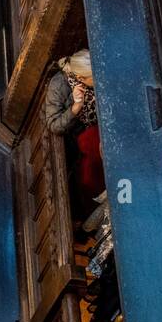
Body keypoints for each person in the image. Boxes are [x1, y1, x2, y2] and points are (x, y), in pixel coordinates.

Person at [42, 49, 104, 215]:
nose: (98, 80)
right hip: (80, 137)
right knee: (90, 178)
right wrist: (76, 107)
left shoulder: (91, 67)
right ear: (81, 78)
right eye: (94, 78)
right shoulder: (59, 85)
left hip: (102, 126)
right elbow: (54, 125)